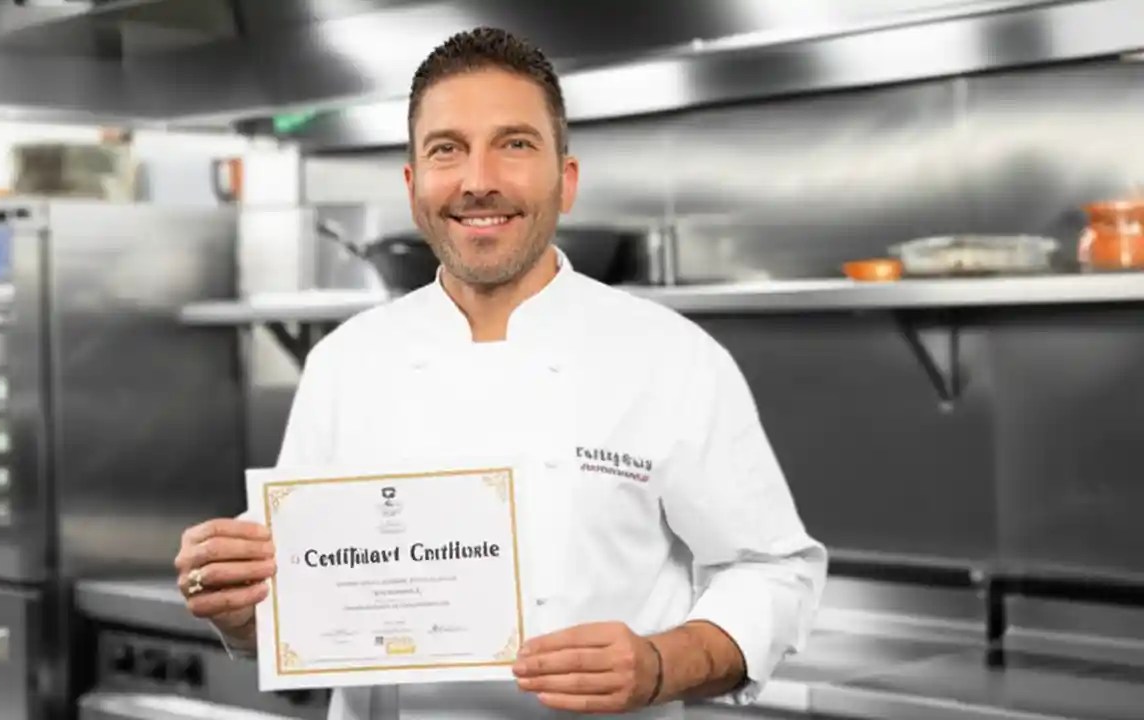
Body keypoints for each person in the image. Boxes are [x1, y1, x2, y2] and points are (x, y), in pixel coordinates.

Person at [174, 26, 827, 719]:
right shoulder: (345, 362)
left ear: (565, 180)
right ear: (412, 183)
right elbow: (304, 617)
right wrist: (239, 609)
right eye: (445, 150)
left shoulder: (672, 358)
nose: (478, 181)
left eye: (514, 144)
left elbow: (772, 571)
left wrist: (661, 663)